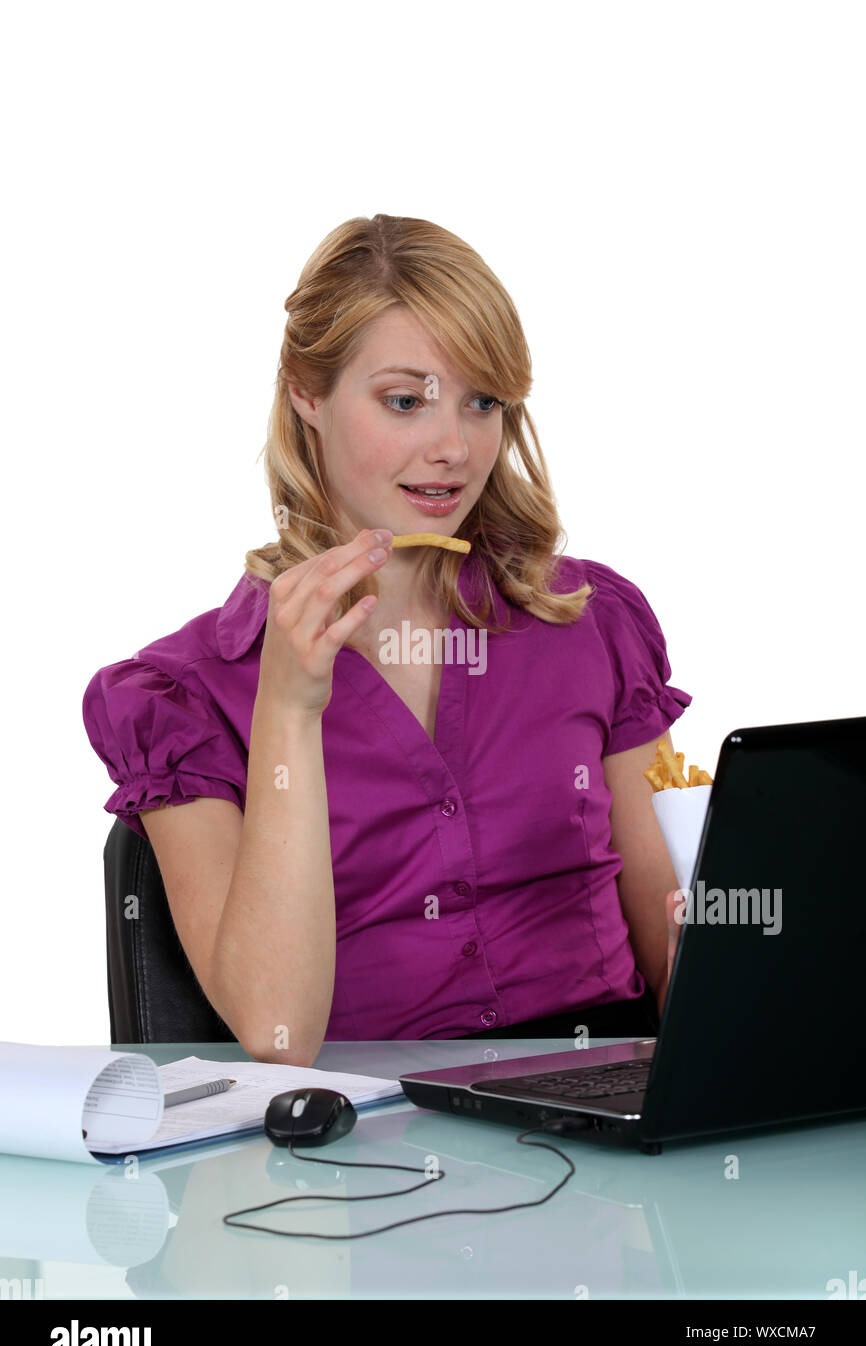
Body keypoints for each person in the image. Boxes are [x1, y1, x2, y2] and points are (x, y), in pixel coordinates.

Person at [82, 213, 690, 1064]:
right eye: (406, 401)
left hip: (609, 1099)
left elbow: (675, 958)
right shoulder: (184, 696)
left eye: (483, 402)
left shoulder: (589, 619)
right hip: (370, 1130)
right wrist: (289, 709)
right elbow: (276, 1030)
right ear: (307, 391)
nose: (453, 448)